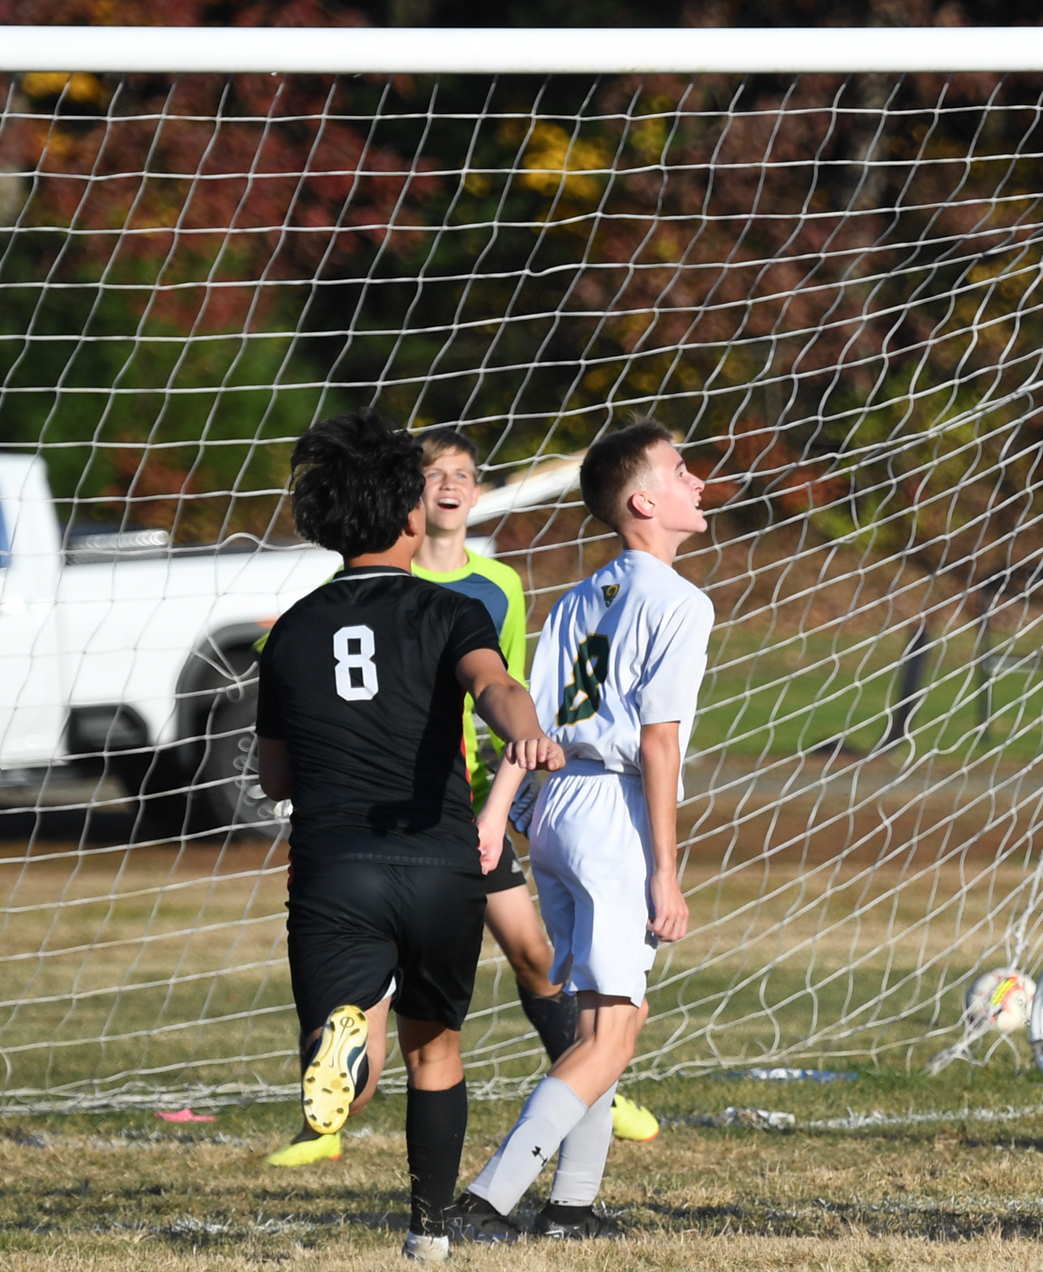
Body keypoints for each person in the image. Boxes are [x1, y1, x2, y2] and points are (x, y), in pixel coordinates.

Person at [251, 411, 564, 1262]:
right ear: (411, 516)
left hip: (334, 866)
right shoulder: (448, 610)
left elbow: (275, 779)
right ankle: (428, 1232)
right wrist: (524, 729)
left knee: (345, 1047)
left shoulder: (289, 632)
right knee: (438, 1048)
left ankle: (339, 1045)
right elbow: (494, 685)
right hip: (437, 861)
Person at [448, 420, 712, 1241]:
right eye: (679, 470)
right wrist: (665, 872)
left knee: (604, 1020)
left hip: (558, 806)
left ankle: (571, 1208)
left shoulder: (576, 595)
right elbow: (660, 742)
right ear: (643, 500)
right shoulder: (678, 601)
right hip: (612, 812)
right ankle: (488, 1198)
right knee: (610, 1027)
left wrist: (508, 809)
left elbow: (531, 716)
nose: (696, 480)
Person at [412, 428, 662, 1143]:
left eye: (464, 472)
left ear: (479, 489)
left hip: (474, 799)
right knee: (394, 969)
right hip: (406, 796)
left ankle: (594, 1084)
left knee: (534, 951)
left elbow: (516, 695)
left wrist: (511, 793)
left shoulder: (500, 586)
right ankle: (330, 1114)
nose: (451, 485)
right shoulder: (392, 573)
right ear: (414, 489)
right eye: (435, 474)